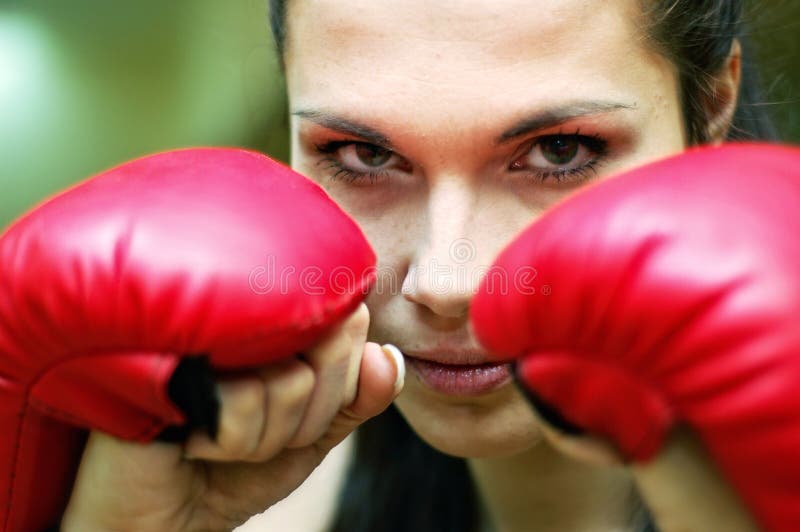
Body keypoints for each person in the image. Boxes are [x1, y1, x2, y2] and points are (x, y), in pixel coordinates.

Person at [62, 1, 779, 531]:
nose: (446, 281)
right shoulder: (250, 506)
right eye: (365, 155)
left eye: (560, 151)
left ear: (711, 105)